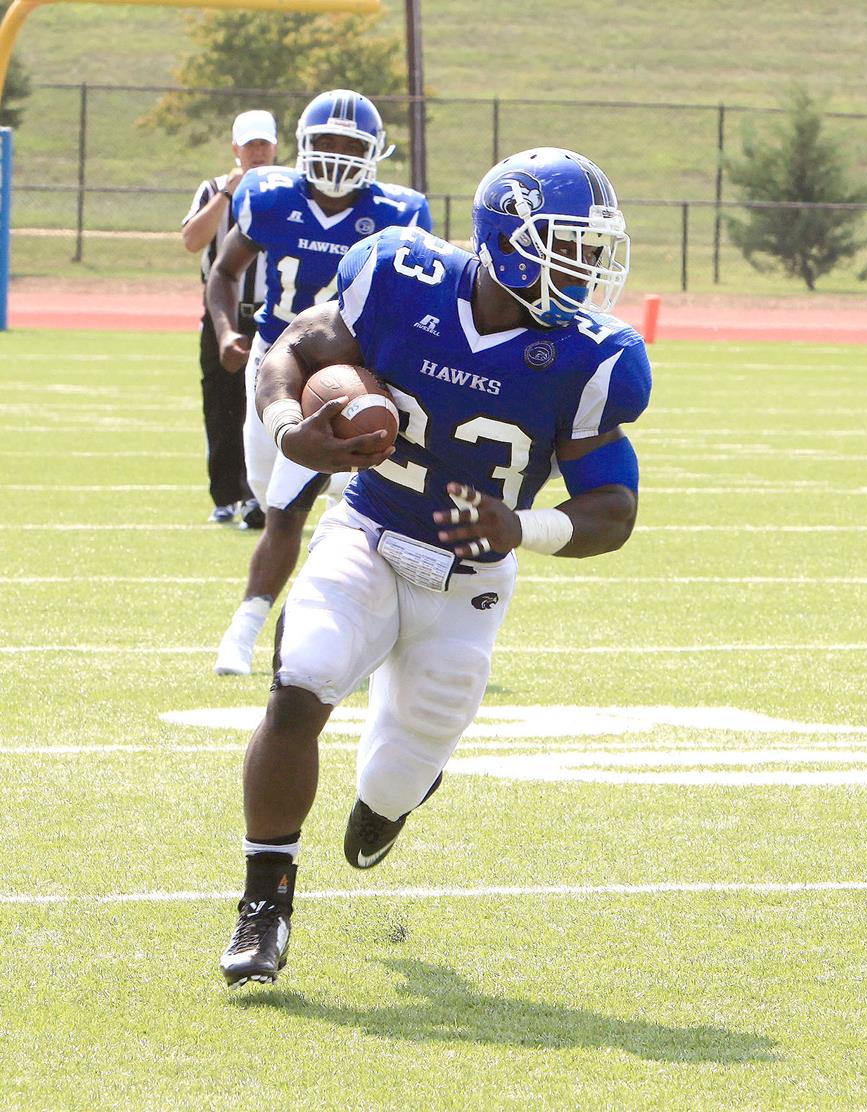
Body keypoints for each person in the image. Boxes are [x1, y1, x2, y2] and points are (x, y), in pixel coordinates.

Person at [220, 147, 649, 987]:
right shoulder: (399, 275)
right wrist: (286, 428)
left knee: (395, 775)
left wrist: (518, 525)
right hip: (369, 532)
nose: (588, 268)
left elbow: (613, 511)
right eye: (571, 244)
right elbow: (296, 350)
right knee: (301, 678)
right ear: (510, 239)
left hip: (469, 579)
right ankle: (265, 901)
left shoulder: (595, 356)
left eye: (594, 249)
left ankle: (396, 797)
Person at [207, 89, 431, 676]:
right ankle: (335, 531)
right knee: (266, 486)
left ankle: (247, 627)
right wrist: (227, 331)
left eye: (349, 145)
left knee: (286, 504)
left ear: (375, 152)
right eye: (324, 143)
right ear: (301, 148)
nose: (335, 155)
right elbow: (225, 272)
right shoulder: (269, 196)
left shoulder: (399, 214)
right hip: (274, 360)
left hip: (347, 370)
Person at [181, 109, 277, 527]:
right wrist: (225, 197)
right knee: (221, 407)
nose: (257, 152)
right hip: (224, 313)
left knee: (269, 408)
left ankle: (262, 496)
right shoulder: (213, 189)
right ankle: (226, 496)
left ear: (276, 148)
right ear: (235, 149)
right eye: (249, 145)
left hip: (274, 314)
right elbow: (191, 241)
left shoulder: (287, 190)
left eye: (263, 144)